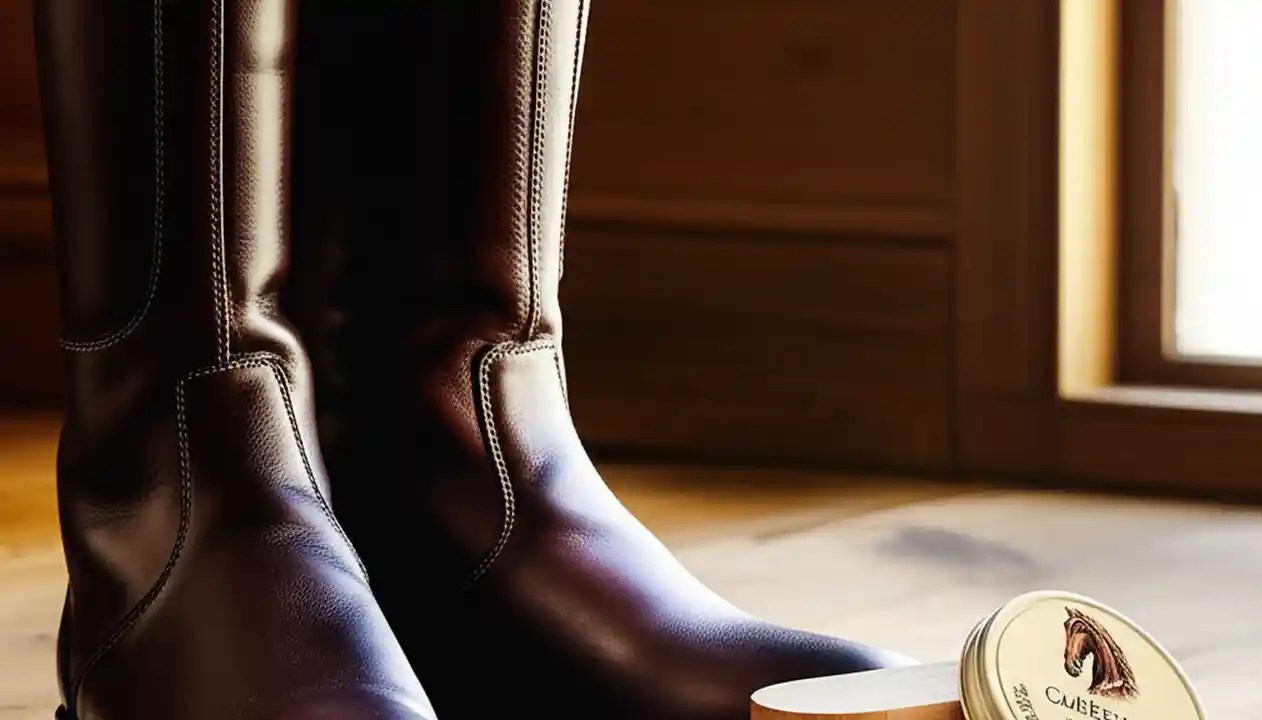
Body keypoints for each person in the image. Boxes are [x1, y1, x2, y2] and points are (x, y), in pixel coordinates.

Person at [35, 2, 910, 718]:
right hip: (201, 501)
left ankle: (433, 529)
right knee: (210, 364)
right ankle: (177, 539)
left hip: (432, 511)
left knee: (436, 348)